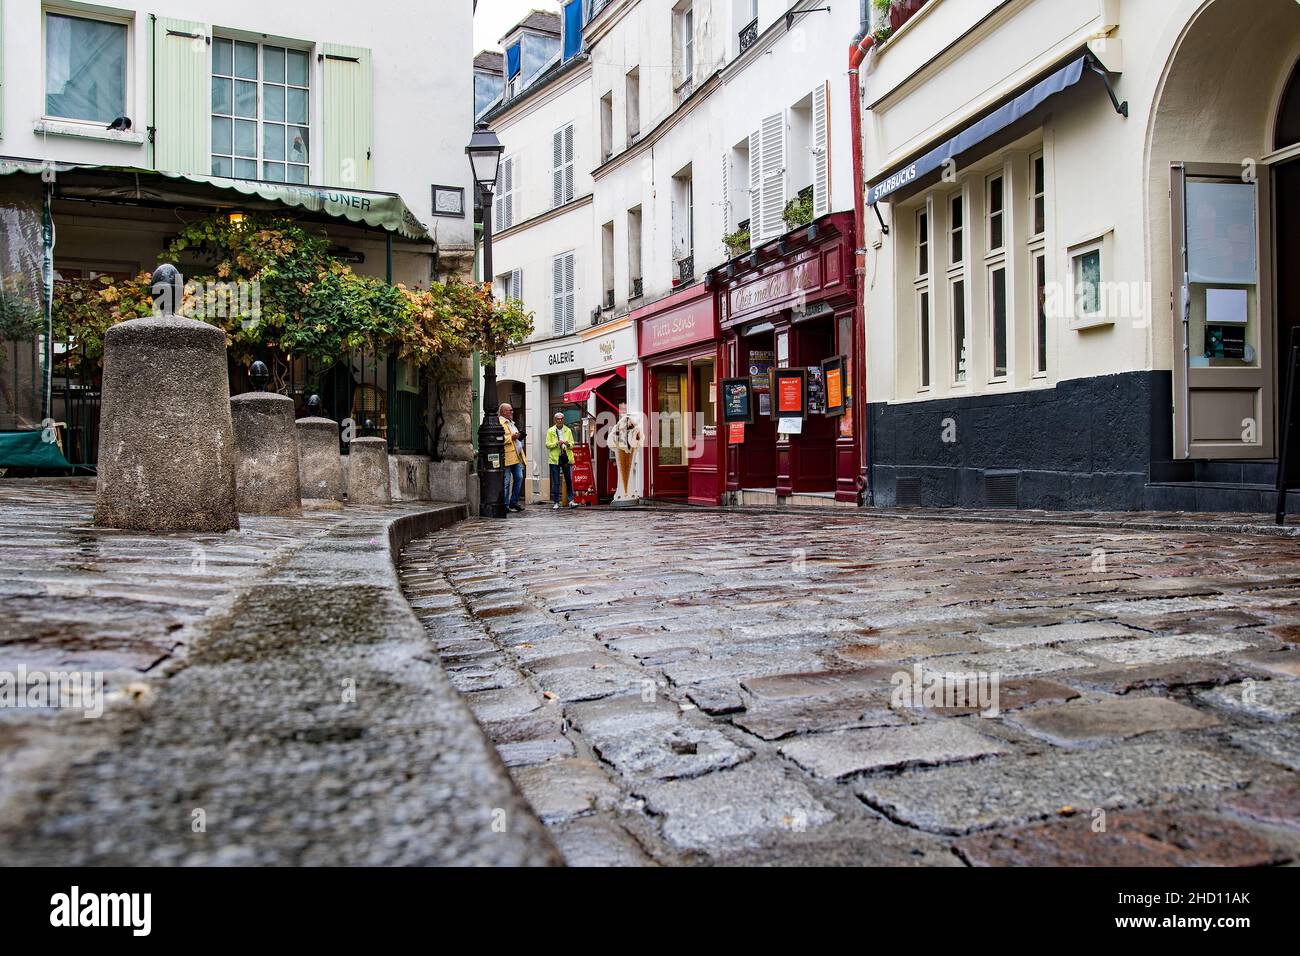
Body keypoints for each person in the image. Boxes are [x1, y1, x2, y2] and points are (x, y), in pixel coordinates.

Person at [546, 412, 578, 510]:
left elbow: (572, 444)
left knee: (569, 480)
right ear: (555, 420)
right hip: (554, 459)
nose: (560, 420)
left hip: (565, 457)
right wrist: (557, 443)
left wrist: (568, 444)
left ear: (563, 420)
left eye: (561, 419)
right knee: (556, 482)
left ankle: (571, 501)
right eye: (558, 419)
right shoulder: (550, 431)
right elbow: (547, 444)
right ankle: (556, 502)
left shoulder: (567, 430)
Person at [498, 403, 526, 513]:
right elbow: (499, 438)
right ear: (503, 412)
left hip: (517, 456)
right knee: (506, 481)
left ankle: (513, 502)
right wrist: (512, 437)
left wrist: (518, 436)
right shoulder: (500, 423)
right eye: (510, 410)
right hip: (507, 456)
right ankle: (504, 504)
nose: (512, 412)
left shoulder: (511, 423)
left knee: (519, 478)